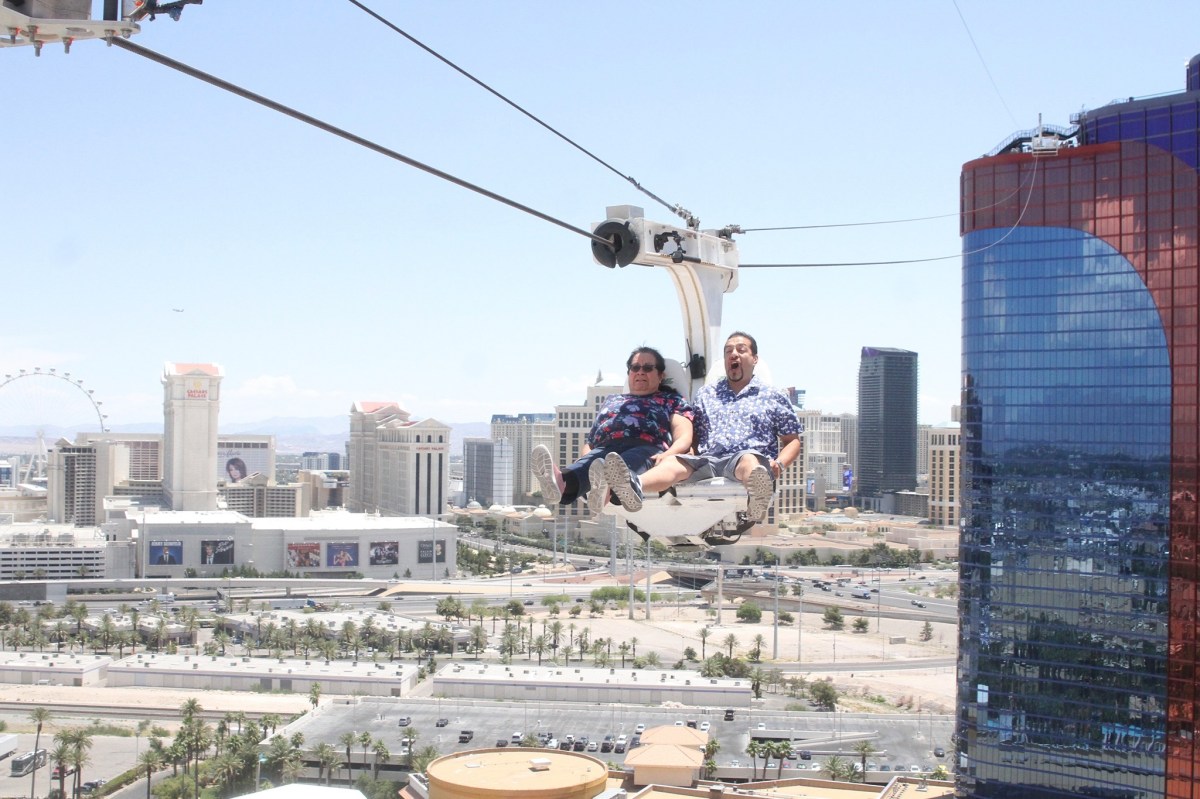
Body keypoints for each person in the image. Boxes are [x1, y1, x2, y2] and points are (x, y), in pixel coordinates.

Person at [606, 331, 801, 522]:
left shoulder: (773, 396)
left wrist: (779, 464)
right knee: (673, 463)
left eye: (741, 350)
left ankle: (758, 497)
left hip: (743, 458)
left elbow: (792, 441)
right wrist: (684, 454)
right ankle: (633, 485)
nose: (733, 354)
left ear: (755, 359)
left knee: (750, 461)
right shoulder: (706, 394)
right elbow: (696, 436)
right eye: (728, 351)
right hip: (707, 459)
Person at [532, 346, 694, 513]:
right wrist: (588, 458)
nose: (640, 372)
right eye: (635, 367)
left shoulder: (672, 400)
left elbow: (684, 435)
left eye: (647, 368)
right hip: (606, 446)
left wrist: (668, 454)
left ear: (661, 376)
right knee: (589, 463)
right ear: (629, 373)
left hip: (646, 445)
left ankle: (614, 488)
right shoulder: (612, 400)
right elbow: (591, 441)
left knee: (620, 464)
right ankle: (561, 483)